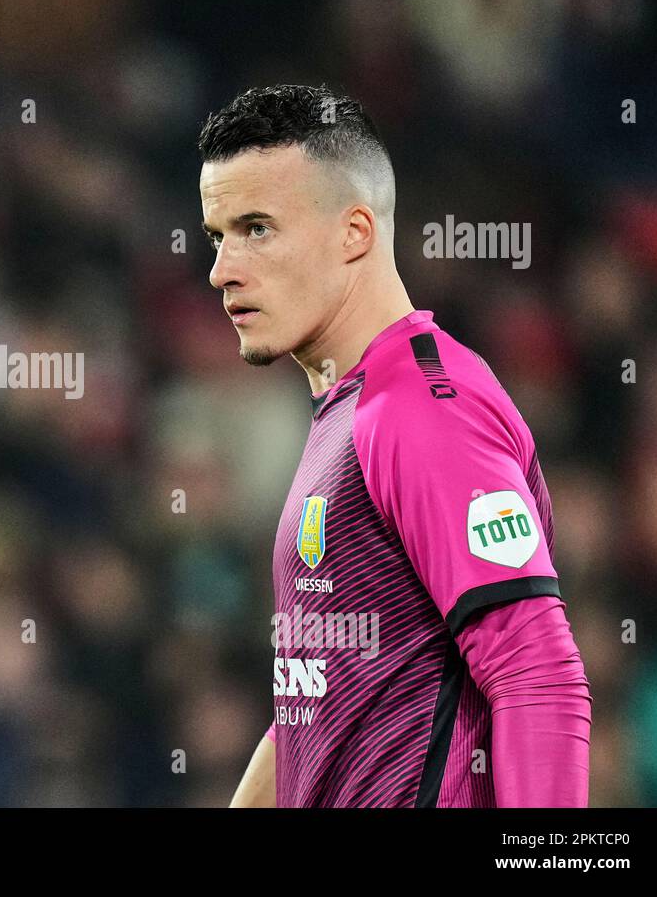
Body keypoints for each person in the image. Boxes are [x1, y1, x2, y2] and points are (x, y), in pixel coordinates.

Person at [198, 85, 592, 807]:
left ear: (354, 232)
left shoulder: (420, 409)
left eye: (257, 228)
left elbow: (537, 672)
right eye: (217, 235)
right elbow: (312, 710)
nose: (224, 268)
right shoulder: (349, 411)